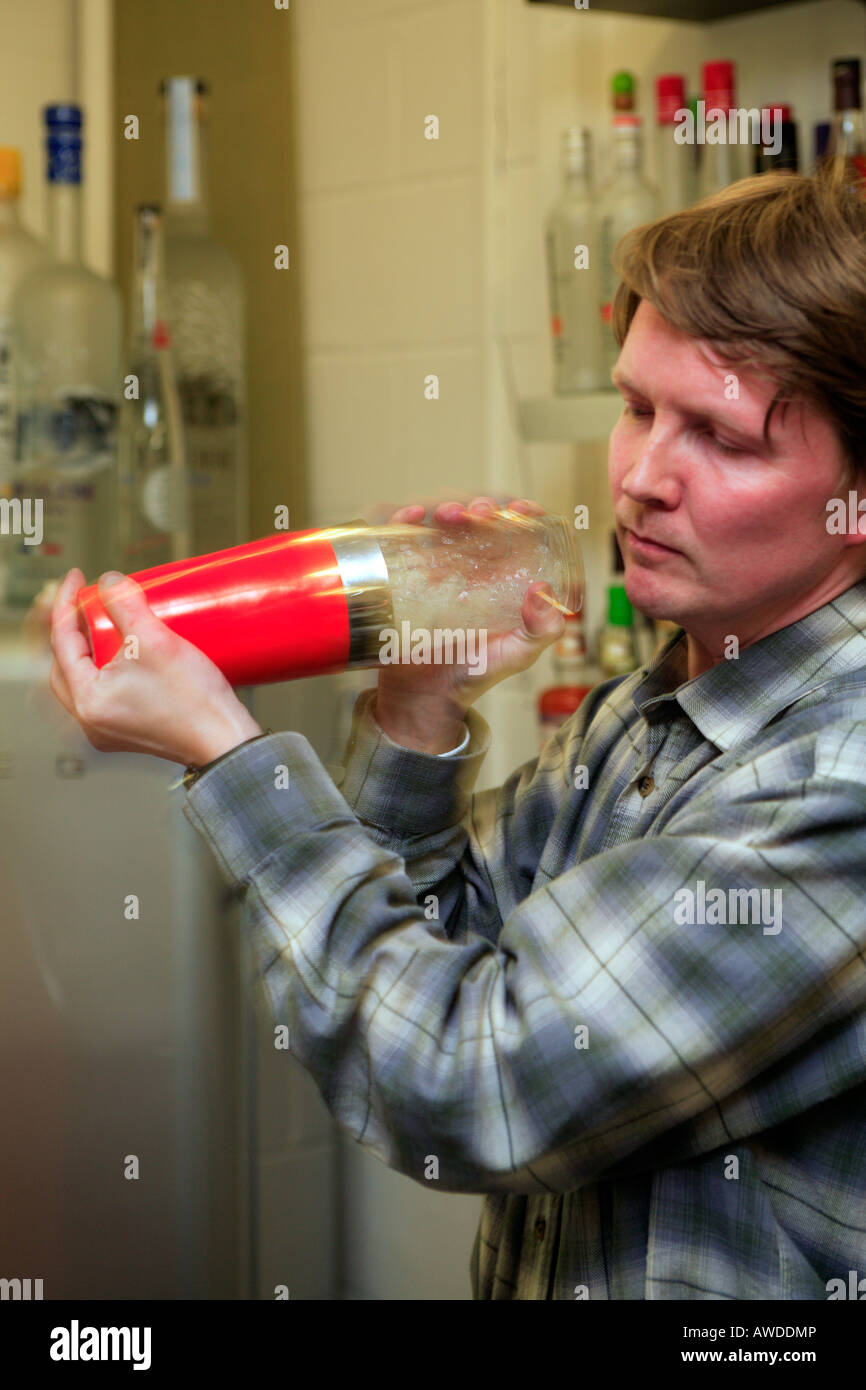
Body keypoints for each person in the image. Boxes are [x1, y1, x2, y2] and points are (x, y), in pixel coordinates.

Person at [49, 158, 866, 1300]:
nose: (638, 479)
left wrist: (229, 761)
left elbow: (469, 1078)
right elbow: (444, 947)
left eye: (719, 439)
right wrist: (414, 705)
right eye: (635, 409)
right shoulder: (660, 702)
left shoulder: (836, 779)